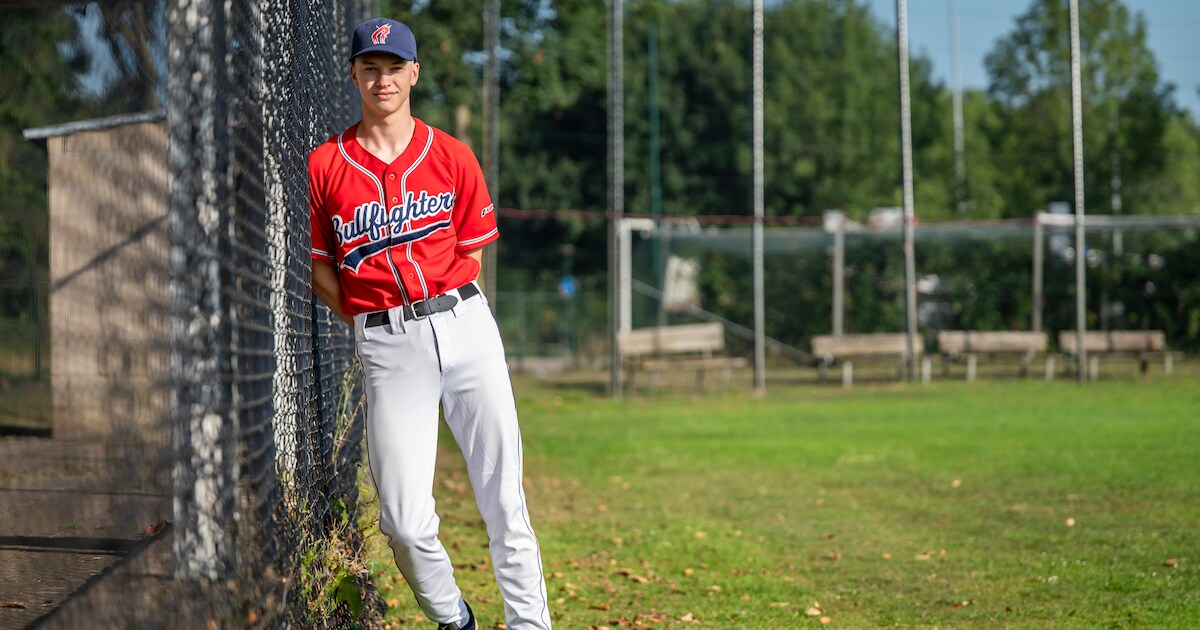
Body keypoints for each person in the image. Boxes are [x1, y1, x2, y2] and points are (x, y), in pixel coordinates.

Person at [307, 17, 552, 630]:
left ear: (413, 73)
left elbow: (470, 252)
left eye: (393, 66)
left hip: (465, 326)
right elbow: (322, 269)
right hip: (388, 345)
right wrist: (375, 320)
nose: (381, 77)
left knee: (506, 504)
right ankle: (454, 617)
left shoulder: (451, 156)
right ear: (355, 74)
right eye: (370, 65)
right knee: (404, 522)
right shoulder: (325, 165)